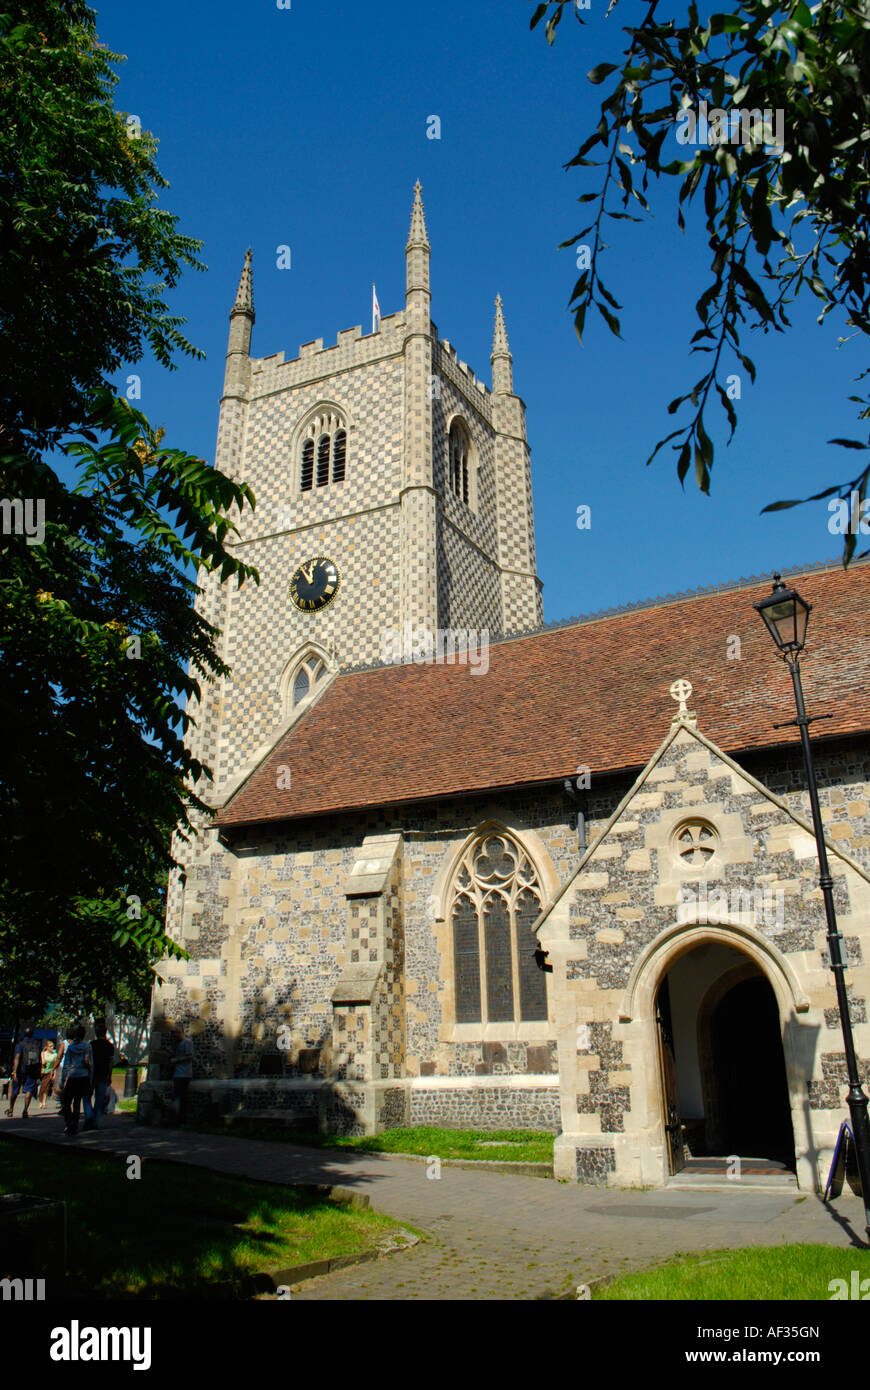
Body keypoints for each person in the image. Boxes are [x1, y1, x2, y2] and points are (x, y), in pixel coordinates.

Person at [59, 1025, 92, 1136]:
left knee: (66, 1101)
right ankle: (75, 1123)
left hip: (73, 1076)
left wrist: (63, 1080)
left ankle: (69, 1122)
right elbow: (91, 1064)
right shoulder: (87, 1046)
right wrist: (90, 1077)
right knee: (77, 1101)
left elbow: (66, 1065)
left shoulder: (71, 1047)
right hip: (84, 1076)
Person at [6, 1026, 42, 1119]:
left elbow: (17, 1057)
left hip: (20, 1070)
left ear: (24, 1034)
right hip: (32, 1070)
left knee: (15, 1090)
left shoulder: (20, 1044)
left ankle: (11, 1109)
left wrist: (14, 1071)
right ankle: (25, 1110)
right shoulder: (37, 1044)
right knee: (29, 1090)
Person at [86, 1019, 114, 1129]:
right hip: (103, 1074)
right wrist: (110, 1075)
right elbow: (110, 1062)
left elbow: (88, 1060)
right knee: (99, 1098)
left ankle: (89, 1115)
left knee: (87, 1096)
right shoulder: (109, 1046)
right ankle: (95, 1121)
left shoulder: (91, 1045)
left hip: (92, 1073)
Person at [171, 1023, 194, 1123]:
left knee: (179, 1097)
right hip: (178, 1074)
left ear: (180, 1032)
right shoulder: (179, 1044)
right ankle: (180, 1118)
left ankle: (179, 1119)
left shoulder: (187, 1042)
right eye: (173, 1033)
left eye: (176, 1033)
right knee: (180, 1096)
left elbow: (190, 1056)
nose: (174, 1035)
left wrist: (176, 1060)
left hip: (184, 1074)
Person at [38, 1038, 58, 1109]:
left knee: (46, 1088)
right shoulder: (43, 1053)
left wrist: (54, 1074)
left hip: (50, 1072)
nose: (52, 1047)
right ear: (47, 1047)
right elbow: (43, 1062)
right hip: (43, 1072)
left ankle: (44, 1102)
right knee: (42, 1087)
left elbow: (55, 1065)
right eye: (50, 1046)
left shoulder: (55, 1055)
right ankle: (40, 1101)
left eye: (53, 1046)